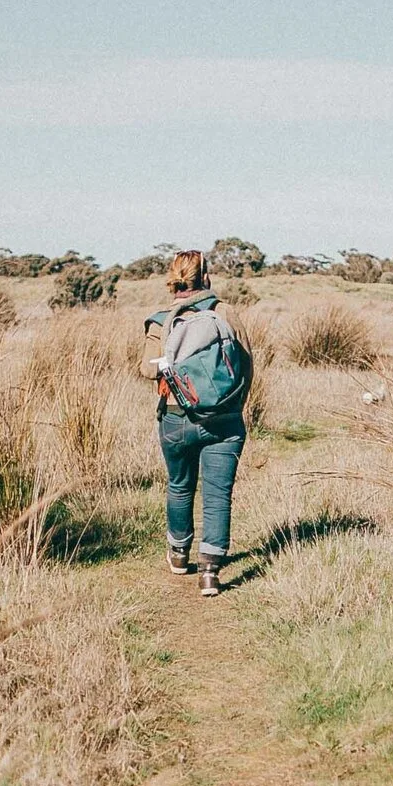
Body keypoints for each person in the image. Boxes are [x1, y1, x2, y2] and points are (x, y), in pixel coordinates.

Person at [145, 250, 244, 595]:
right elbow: (245, 361)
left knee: (179, 485)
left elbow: (145, 368)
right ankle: (210, 573)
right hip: (224, 419)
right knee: (218, 495)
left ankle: (178, 554)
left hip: (176, 416)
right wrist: (234, 405)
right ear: (206, 277)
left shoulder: (162, 320)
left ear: (173, 279)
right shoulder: (224, 313)